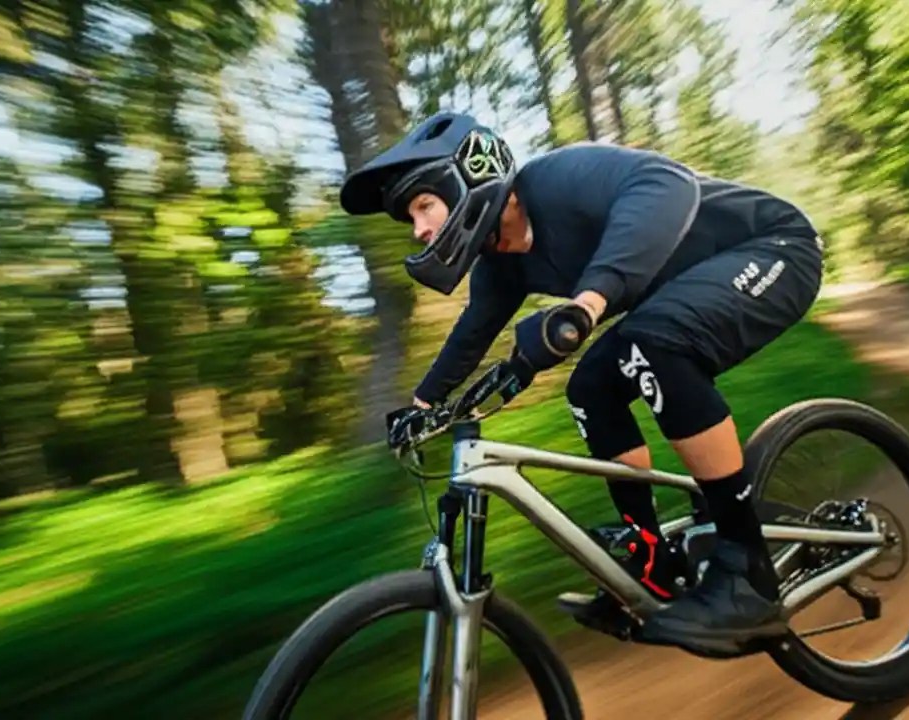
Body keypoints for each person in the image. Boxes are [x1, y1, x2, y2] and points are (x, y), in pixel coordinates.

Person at [340, 111, 825, 659]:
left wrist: (587, 303)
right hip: (688, 294)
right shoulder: (499, 265)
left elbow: (667, 185)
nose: (420, 230)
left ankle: (746, 569)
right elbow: (471, 336)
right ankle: (652, 557)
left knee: (654, 344)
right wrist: (422, 406)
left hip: (774, 249)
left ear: (468, 176)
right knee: (590, 386)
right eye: (412, 219)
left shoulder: (559, 178)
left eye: (424, 206)